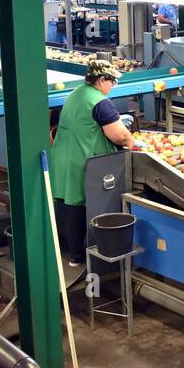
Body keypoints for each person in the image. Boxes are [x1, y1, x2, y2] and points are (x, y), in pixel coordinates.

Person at [48, 59, 137, 266]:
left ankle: (73, 255)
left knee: (68, 204)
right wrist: (133, 141)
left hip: (64, 157)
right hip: (85, 161)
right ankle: (89, 256)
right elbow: (119, 137)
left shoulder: (76, 93)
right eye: (112, 81)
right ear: (101, 80)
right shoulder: (100, 102)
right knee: (82, 207)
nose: (114, 85)